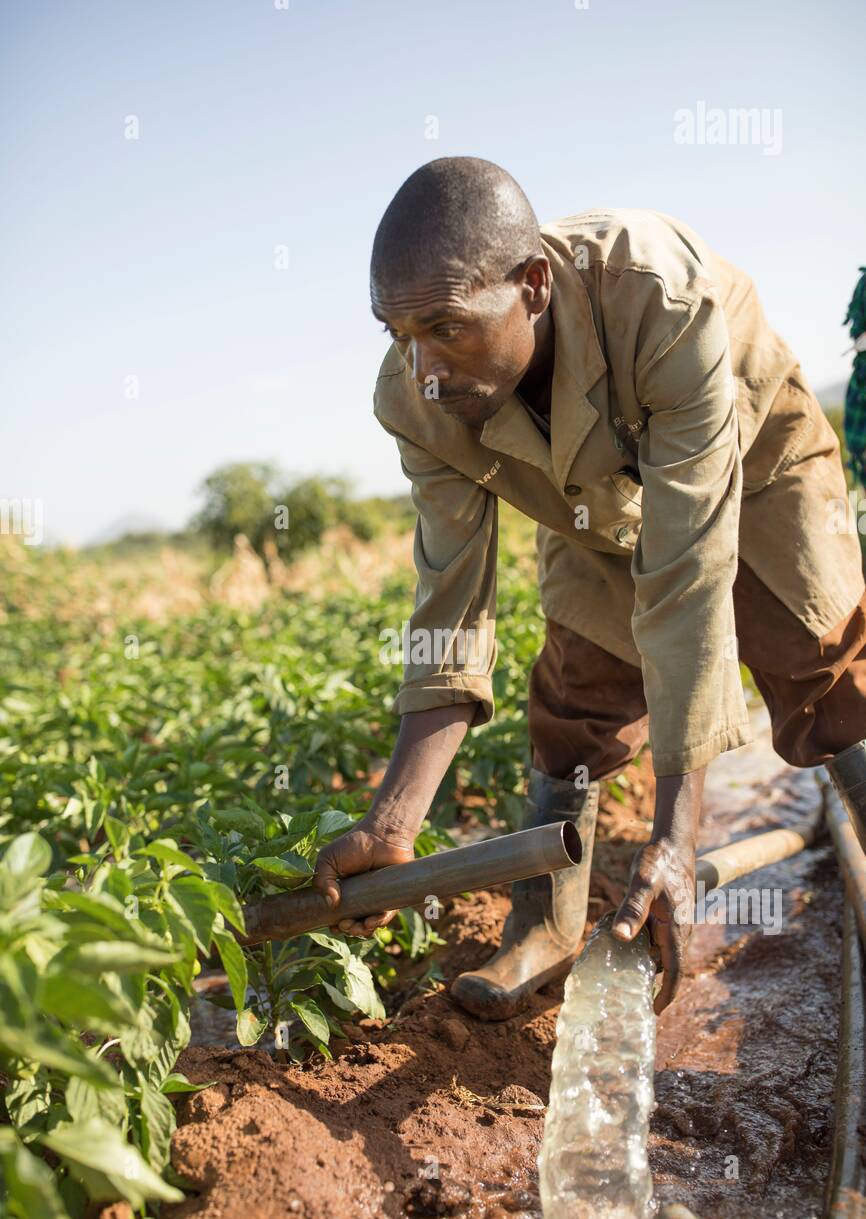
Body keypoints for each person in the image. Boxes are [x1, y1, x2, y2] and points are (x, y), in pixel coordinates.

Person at [313, 157, 866, 1021]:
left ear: (533, 285)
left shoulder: (656, 296)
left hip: (748, 452)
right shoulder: (417, 398)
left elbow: (688, 577)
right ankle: (545, 926)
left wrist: (677, 839)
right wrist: (393, 821)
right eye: (398, 332)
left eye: (446, 328)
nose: (423, 364)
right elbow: (448, 609)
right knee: (577, 695)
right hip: (590, 497)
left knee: (820, 669)